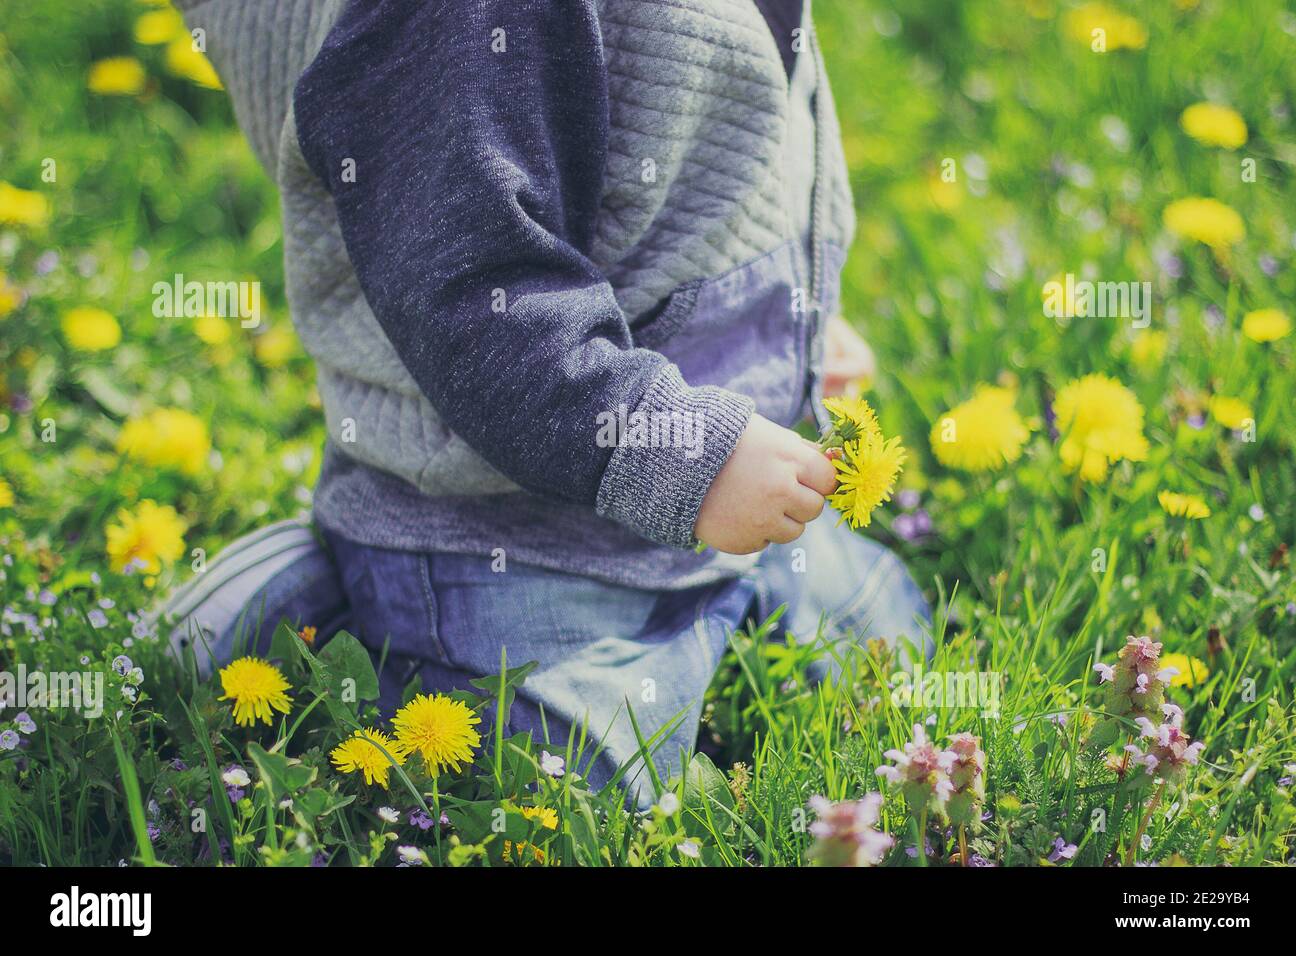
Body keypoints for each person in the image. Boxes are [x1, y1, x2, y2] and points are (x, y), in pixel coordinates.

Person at [164, 0, 929, 803]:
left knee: (887, 634)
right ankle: (305, 628)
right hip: (504, 535)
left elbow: (724, 146)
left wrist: (793, 320)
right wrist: (674, 452)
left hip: (719, 494)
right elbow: (477, 286)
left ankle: (703, 614)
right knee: (562, 793)